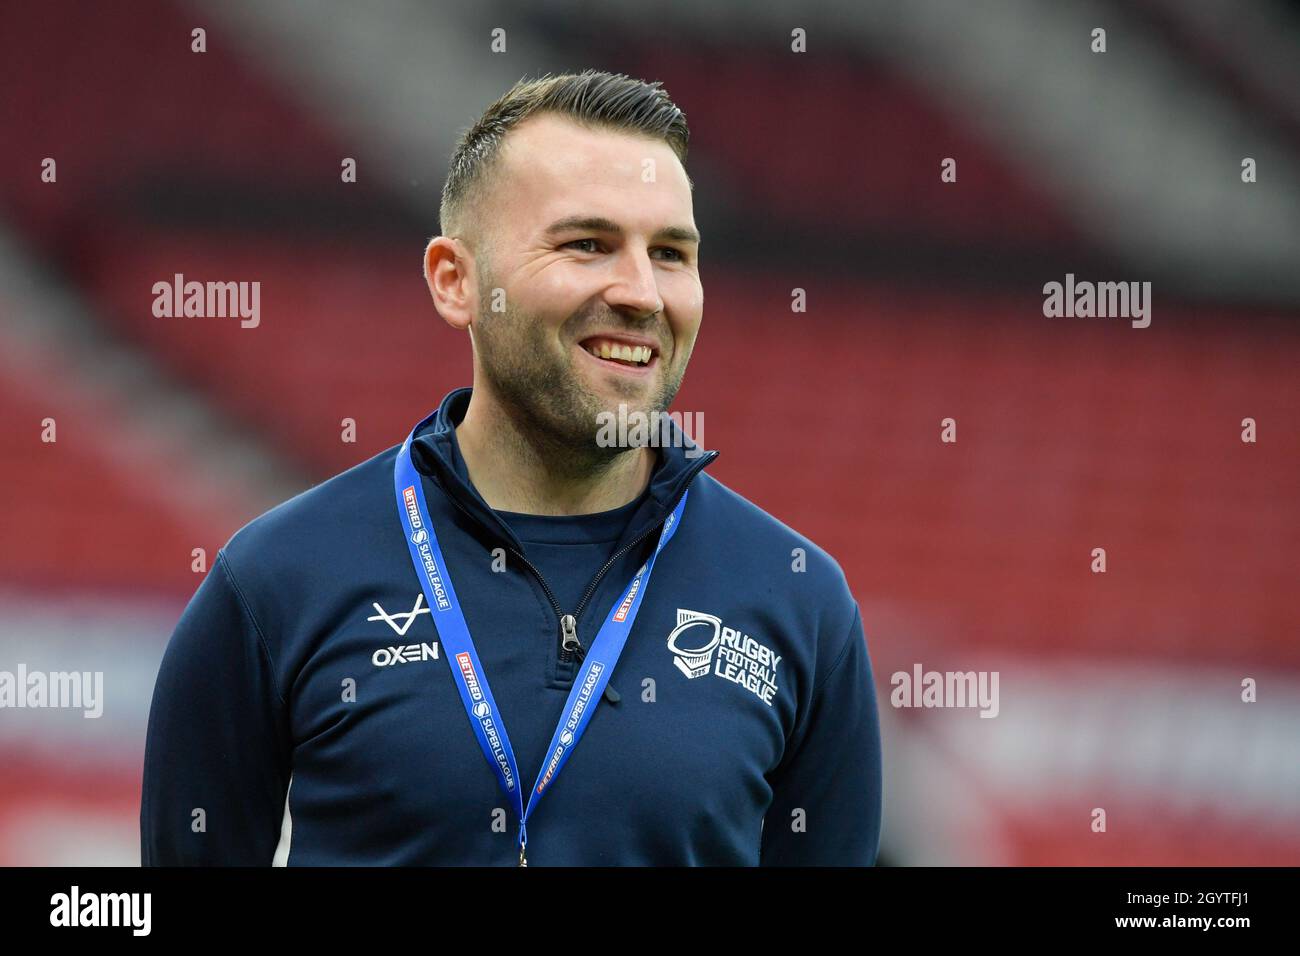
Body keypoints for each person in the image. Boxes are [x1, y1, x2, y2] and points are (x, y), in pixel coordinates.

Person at [140, 69, 882, 866]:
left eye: (670, 253)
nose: (642, 293)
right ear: (455, 281)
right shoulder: (277, 580)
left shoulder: (798, 601)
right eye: (588, 244)